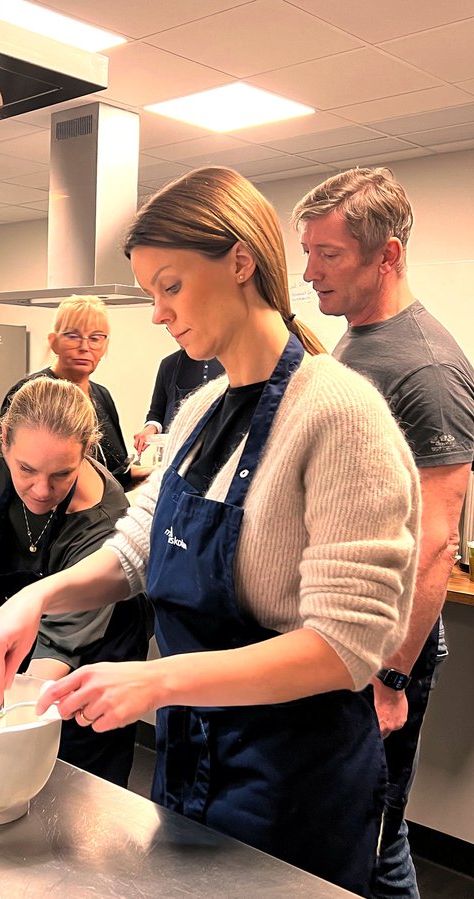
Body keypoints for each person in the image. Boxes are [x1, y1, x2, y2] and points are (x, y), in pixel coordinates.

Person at [0, 167, 421, 896]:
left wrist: (158, 680)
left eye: (171, 286)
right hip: (192, 754)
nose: (158, 313)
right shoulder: (201, 413)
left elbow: (346, 644)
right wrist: (38, 596)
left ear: (241, 261)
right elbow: (136, 550)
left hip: (293, 781)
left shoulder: (340, 415)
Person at [294, 167, 474, 899]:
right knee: (348, 825)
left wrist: (392, 677)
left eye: (329, 254)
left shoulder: (426, 368)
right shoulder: (355, 342)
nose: (310, 272)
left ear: (387, 255)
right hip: (342, 630)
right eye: (308, 252)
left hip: (383, 650)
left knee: (370, 833)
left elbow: (434, 543)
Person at [0, 377, 148, 786]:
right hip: (24, 630)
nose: (41, 490)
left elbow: (55, 653)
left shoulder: (105, 520)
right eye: (26, 469)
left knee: (71, 780)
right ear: (5, 440)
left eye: (61, 473)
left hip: (91, 655)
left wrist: (1, 725)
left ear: (86, 451)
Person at [0, 295, 140, 487]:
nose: (84, 347)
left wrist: (158, 472)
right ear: (54, 342)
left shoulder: (102, 396)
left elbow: (116, 474)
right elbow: (3, 470)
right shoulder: (33, 393)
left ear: (105, 345)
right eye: (73, 336)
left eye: (95, 338)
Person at [133, 349, 224, 454]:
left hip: (217, 450)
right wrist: (150, 428)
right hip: (175, 452)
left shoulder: (228, 363)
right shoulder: (169, 364)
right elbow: (156, 414)